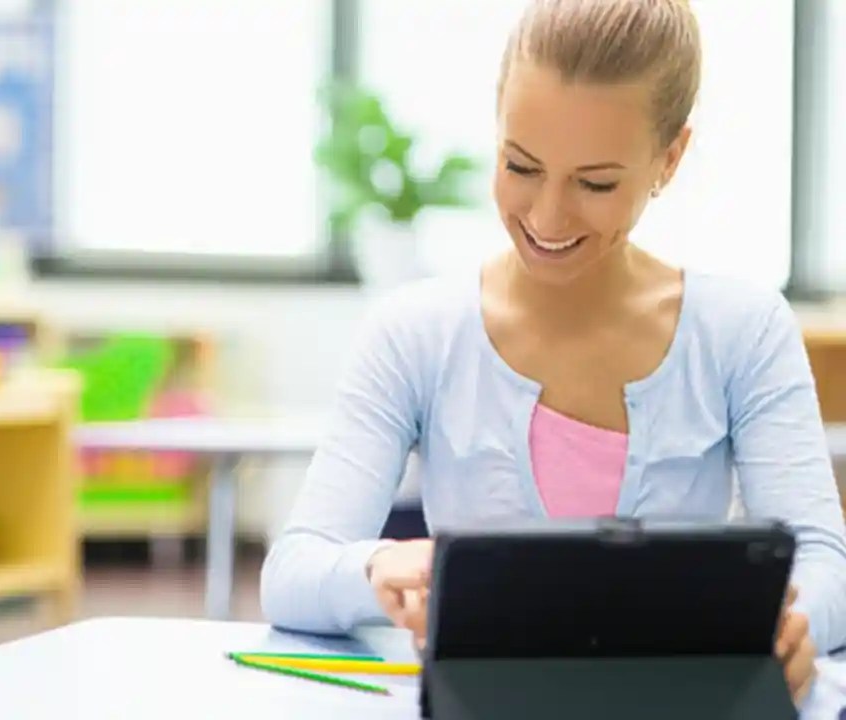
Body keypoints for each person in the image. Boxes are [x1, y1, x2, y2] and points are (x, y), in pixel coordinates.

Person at [260, 0, 846, 705]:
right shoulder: (415, 331)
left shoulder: (742, 330)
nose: (546, 217)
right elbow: (292, 571)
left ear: (670, 158)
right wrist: (379, 567)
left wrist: (795, 622)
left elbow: (826, 562)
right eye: (521, 166)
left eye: (595, 183)